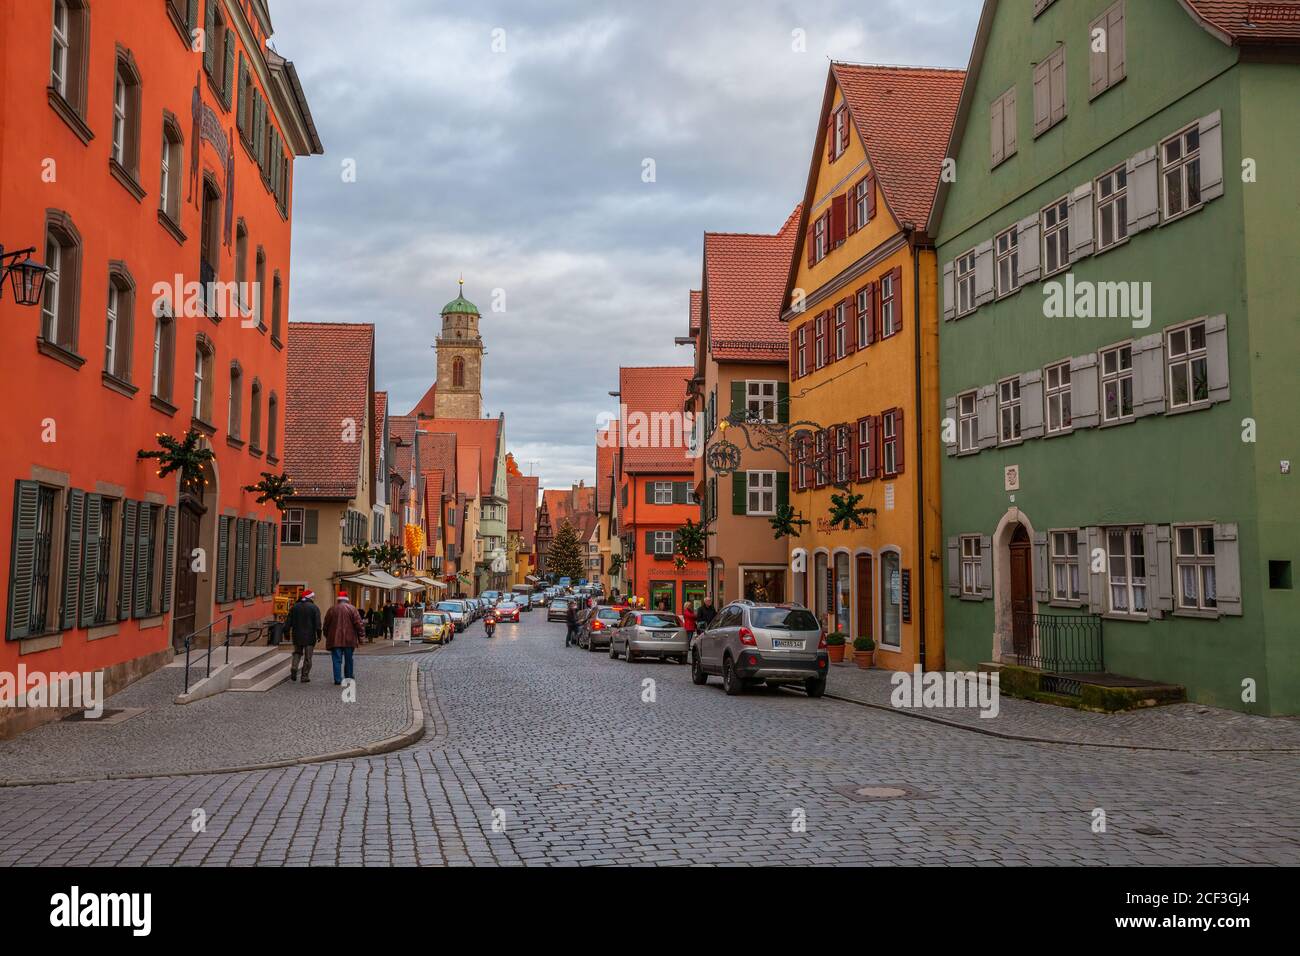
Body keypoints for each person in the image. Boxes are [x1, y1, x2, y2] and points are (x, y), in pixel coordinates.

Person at [323, 591, 364, 686]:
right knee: (349, 659)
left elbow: (326, 625)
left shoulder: (332, 609)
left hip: (335, 639)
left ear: (338, 599)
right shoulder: (352, 609)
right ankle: (348, 677)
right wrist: (361, 636)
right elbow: (359, 624)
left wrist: (327, 635)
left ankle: (337, 679)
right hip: (349, 639)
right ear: (347, 599)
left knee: (336, 660)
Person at [287, 589, 322, 683]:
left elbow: (288, 622)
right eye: (313, 597)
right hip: (310, 637)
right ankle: (304, 676)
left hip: (297, 635)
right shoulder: (314, 608)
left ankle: (294, 668)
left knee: (297, 653)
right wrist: (319, 635)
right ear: (310, 597)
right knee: (308, 657)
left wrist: (286, 632)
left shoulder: (294, 607)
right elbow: (318, 624)